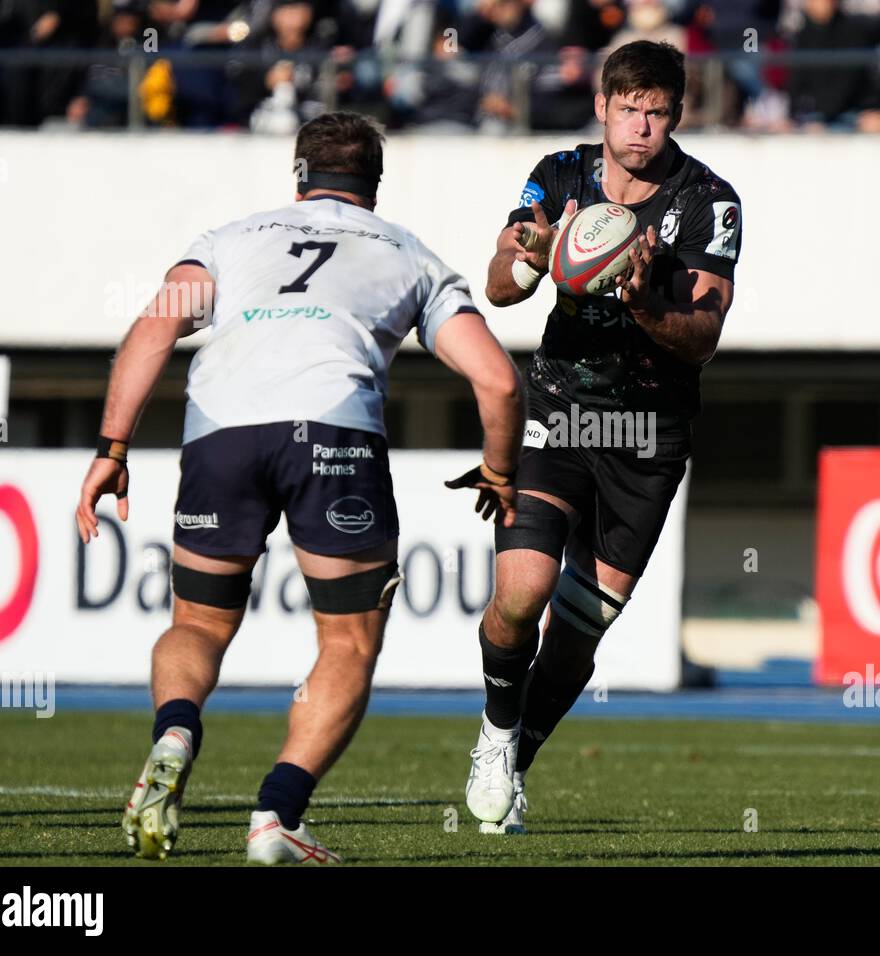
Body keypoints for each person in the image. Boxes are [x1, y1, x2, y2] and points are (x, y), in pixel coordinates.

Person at [74, 110, 524, 863]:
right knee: (347, 637)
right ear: (373, 189)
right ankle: (276, 814)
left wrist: (111, 447)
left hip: (221, 432)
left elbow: (153, 330)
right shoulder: (411, 256)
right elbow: (500, 383)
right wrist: (500, 471)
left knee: (201, 623)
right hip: (336, 432)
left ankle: (176, 729)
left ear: (300, 177)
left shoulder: (230, 239)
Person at [461, 39, 742, 834]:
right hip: (557, 414)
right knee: (519, 596)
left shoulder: (708, 200)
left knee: (582, 628)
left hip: (649, 436)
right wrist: (536, 259)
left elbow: (703, 335)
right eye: (629, 110)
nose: (642, 128)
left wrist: (646, 300)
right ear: (602, 108)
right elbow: (500, 282)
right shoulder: (558, 174)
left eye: (658, 113)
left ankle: (515, 760)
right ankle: (493, 731)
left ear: (677, 115)